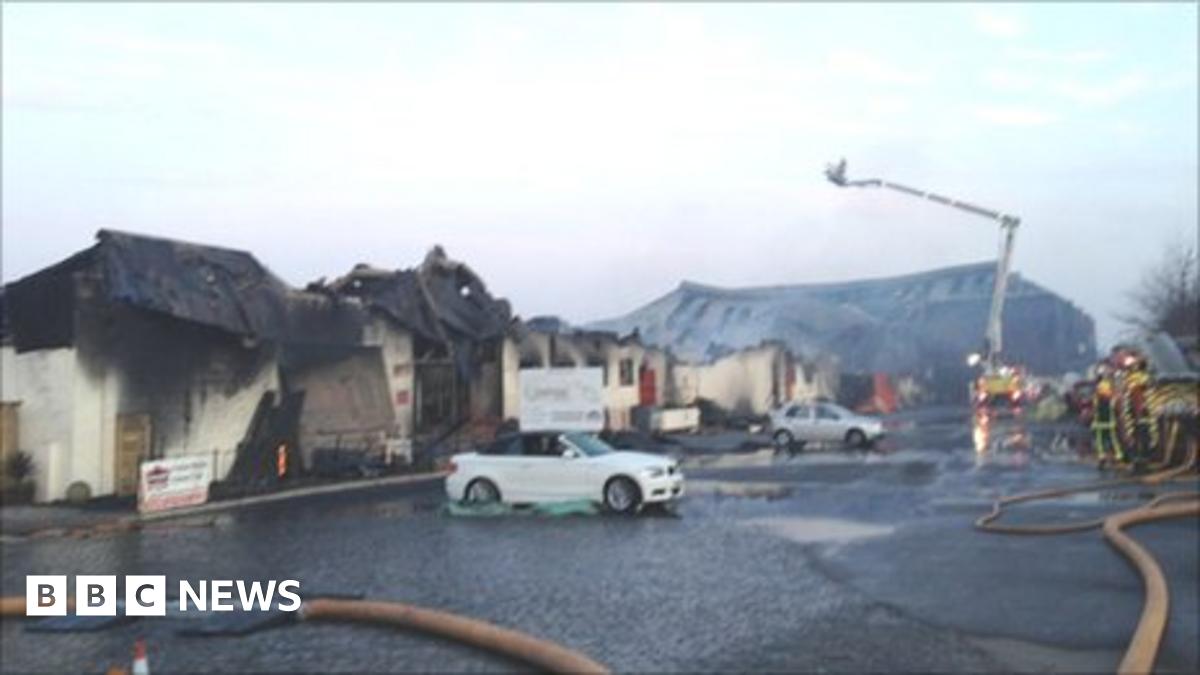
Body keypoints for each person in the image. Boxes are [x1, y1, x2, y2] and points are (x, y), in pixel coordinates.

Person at [1124, 360, 1155, 472]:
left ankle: (1138, 462)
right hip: (1142, 414)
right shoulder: (1143, 379)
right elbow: (1139, 396)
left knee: (1138, 437)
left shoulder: (1132, 379)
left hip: (1136, 415)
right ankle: (1141, 462)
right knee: (1143, 438)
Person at [1091, 373, 1124, 468]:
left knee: (1100, 441)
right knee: (1113, 440)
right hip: (1110, 422)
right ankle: (1119, 456)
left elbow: (1095, 408)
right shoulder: (1110, 394)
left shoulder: (1097, 395)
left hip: (1100, 423)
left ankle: (1102, 457)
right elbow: (1115, 407)